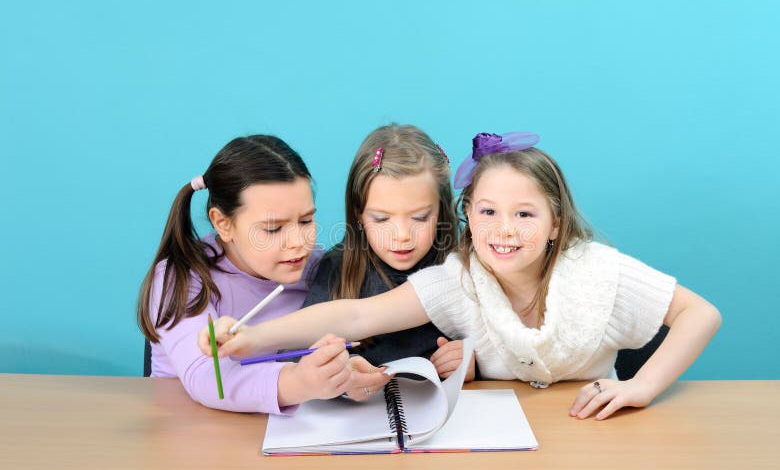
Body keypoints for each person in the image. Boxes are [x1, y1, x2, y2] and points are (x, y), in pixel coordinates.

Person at [199, 132, 721, 420]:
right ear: (469, 214)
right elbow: (356, 315)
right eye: (488, 212)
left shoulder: (596, 268)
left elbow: (701, 314)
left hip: (591, 431)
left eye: (525, 214)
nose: (505, 230)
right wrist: (254, 338)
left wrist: (642, 386)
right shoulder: (461, 278)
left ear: (557, 222)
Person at [138, 134, 388, 413]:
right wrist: (300, 382)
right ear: (223, 224)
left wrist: (340, 377)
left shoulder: (318, 269)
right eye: (273, 229)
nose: (298, 242)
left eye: (306, 220)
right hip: (190, 430)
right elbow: (207, 379)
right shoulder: (181, 277)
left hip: (286, 433)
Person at [303, 124, 476, 389]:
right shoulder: (337, 267)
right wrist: (338, 375)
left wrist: (474, 360)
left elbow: (510, 348)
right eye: (382, 219)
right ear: (359, 213)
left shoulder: (463, 268)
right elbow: (295, 357)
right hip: (359, 412)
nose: (402, 235)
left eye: (420, 217)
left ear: (441, 211)